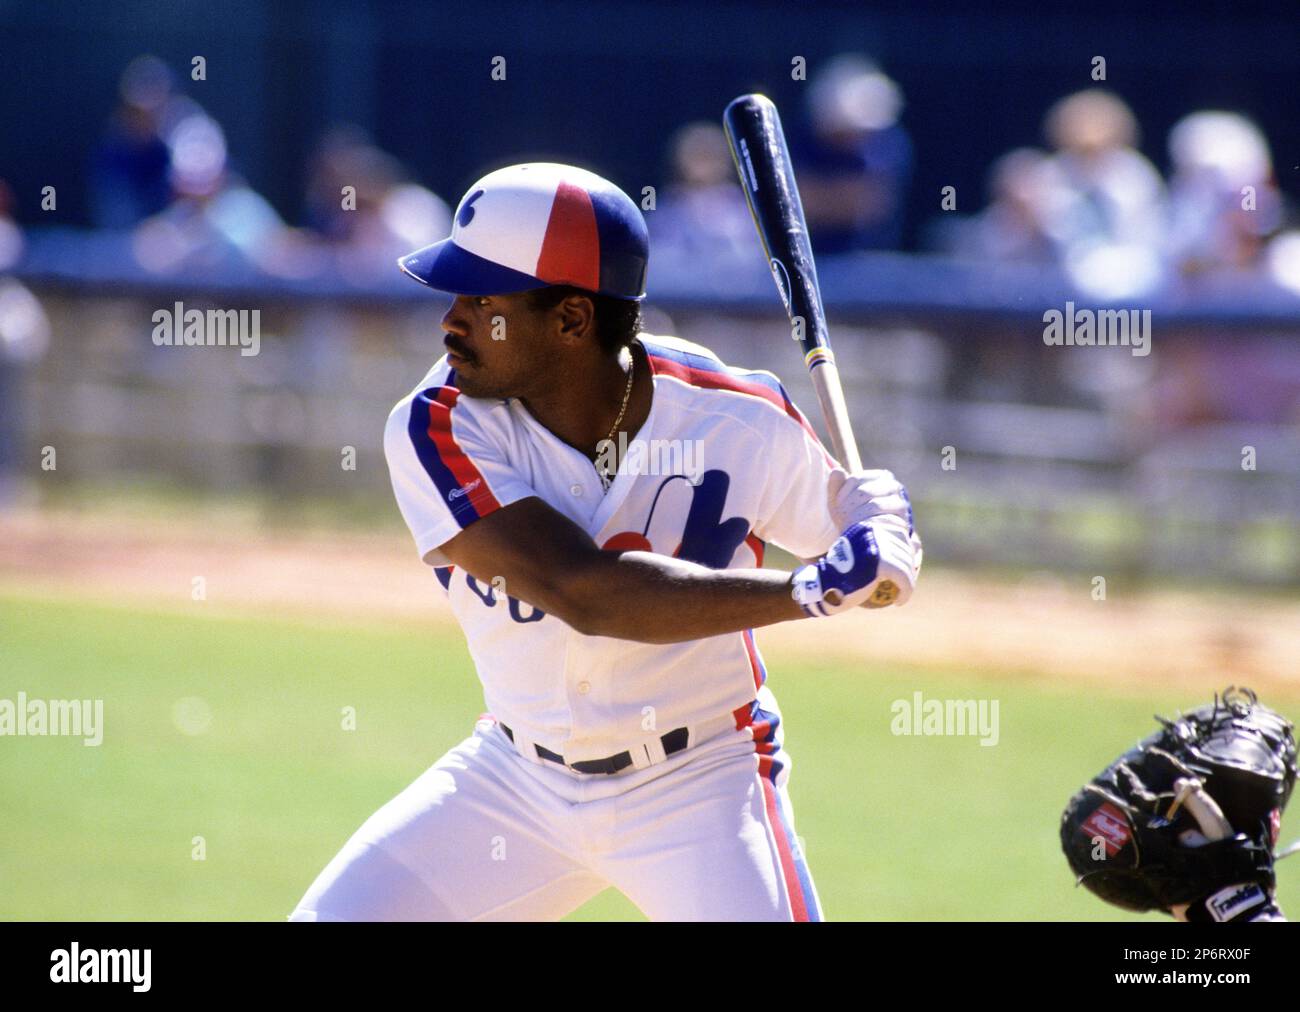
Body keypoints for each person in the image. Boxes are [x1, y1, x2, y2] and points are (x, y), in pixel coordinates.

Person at [290, 162, 922, 922]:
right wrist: (807, 592)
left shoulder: (740, 417)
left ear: (571, 320)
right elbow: (583, 592)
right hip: (514, 784)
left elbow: (865, 559)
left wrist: (882, 525)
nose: (451, 319)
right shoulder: (438, 423)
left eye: (482, 298)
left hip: (703, 785)